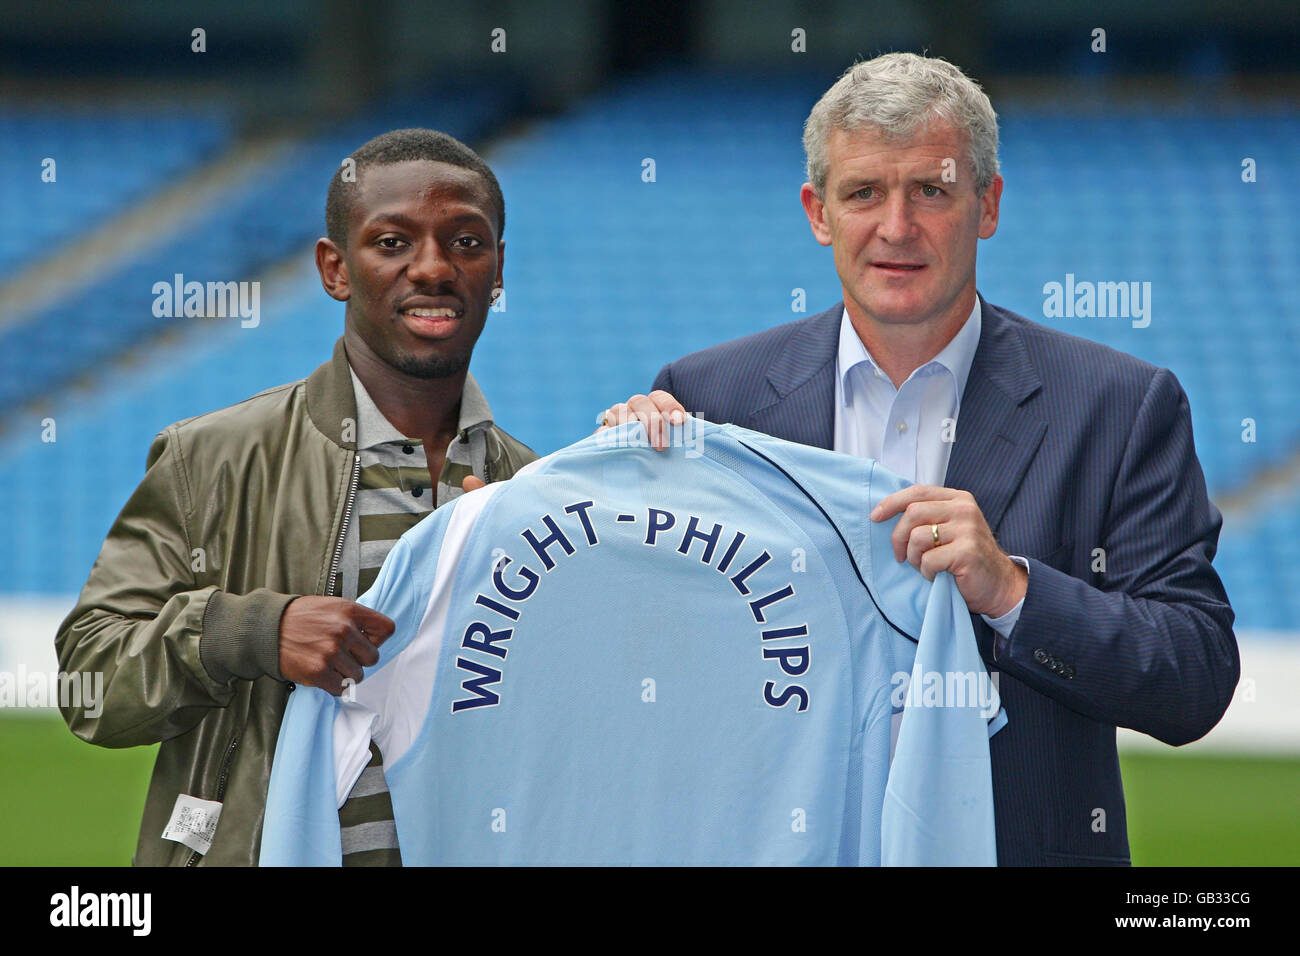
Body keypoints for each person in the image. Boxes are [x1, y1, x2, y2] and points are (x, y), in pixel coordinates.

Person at [600, 53, 1238, 865]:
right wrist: (614, 509)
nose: (896, 227)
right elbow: (645, 675)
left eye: (931, 191)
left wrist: (1011, 592)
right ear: (818, 212)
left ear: (987, 205)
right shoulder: (706, 401)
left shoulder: (1117, 405)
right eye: (864, 192)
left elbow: (1195, 678)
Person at [55, 128, 535, 865]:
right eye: (392, 242)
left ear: (497, 272)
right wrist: (246, 633)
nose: (434, 268)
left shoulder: (532, 492)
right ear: (335, 269)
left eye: (467, 242)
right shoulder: (210, 457)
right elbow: (90, 686)